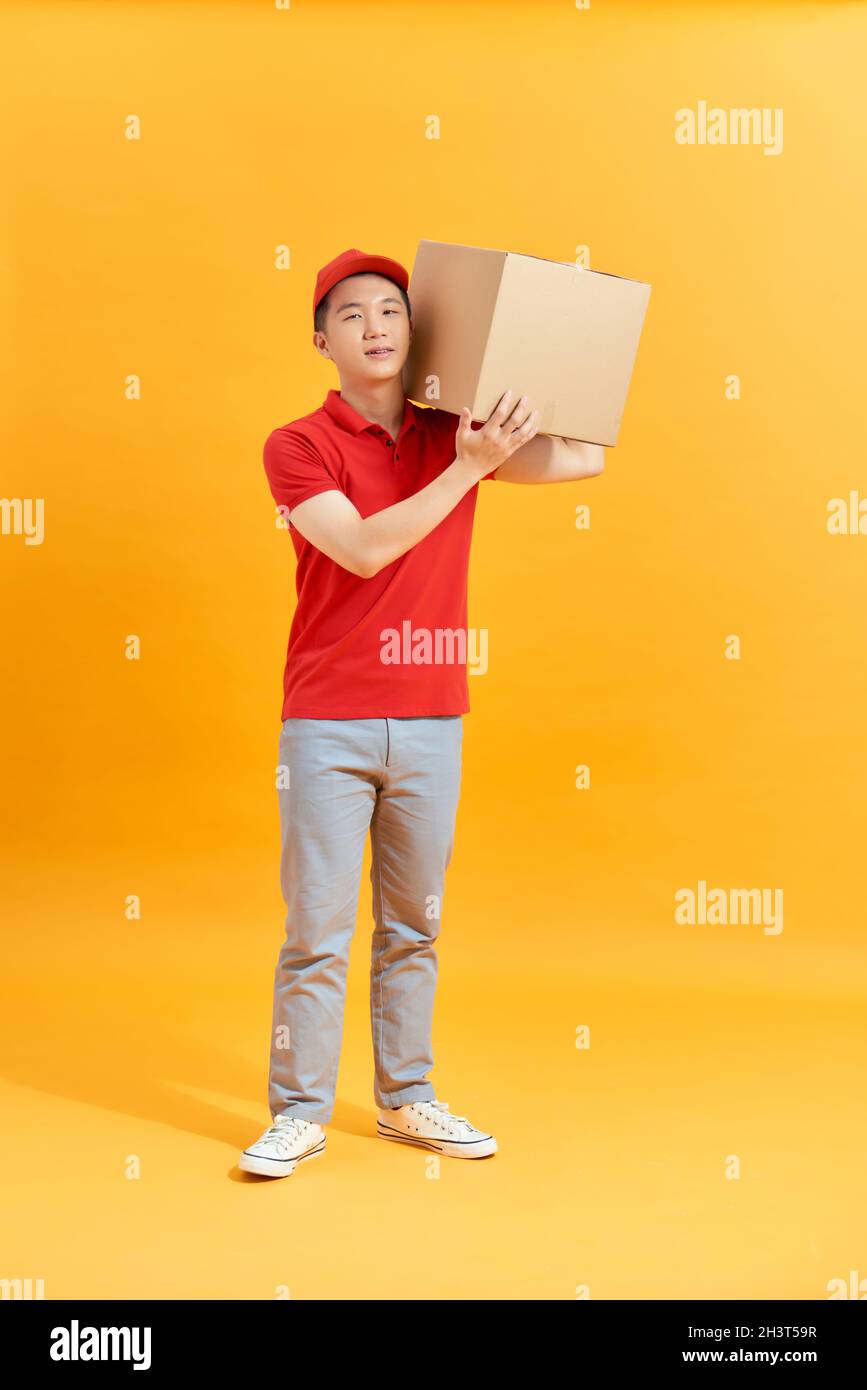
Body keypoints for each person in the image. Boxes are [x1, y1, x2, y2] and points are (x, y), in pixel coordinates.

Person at [240, 248, 605, 1178]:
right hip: (326, 719)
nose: (374, 325)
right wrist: (467, 469)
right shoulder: (297, 445)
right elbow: (362, 549)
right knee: (317, 930)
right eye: (352, 313)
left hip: (434, 713)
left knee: (414, 925)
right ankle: (298, 1113)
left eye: (393, 312)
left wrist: (562, 352)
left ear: (416, 334)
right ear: (321, 340)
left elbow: (584, 459)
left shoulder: (453, 430)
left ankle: (406, 1099)